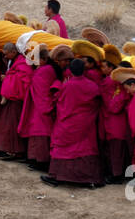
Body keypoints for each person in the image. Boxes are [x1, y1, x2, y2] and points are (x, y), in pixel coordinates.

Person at [42, 58, 104, 187]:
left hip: (68, 121)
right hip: (86, 123)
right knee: (85, 148)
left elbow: (58, 101)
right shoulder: (92, 85)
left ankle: (57, 176)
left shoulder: (67, 86)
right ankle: (89, 179)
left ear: (71, 70)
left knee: (63, 148)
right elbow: (98, 101)